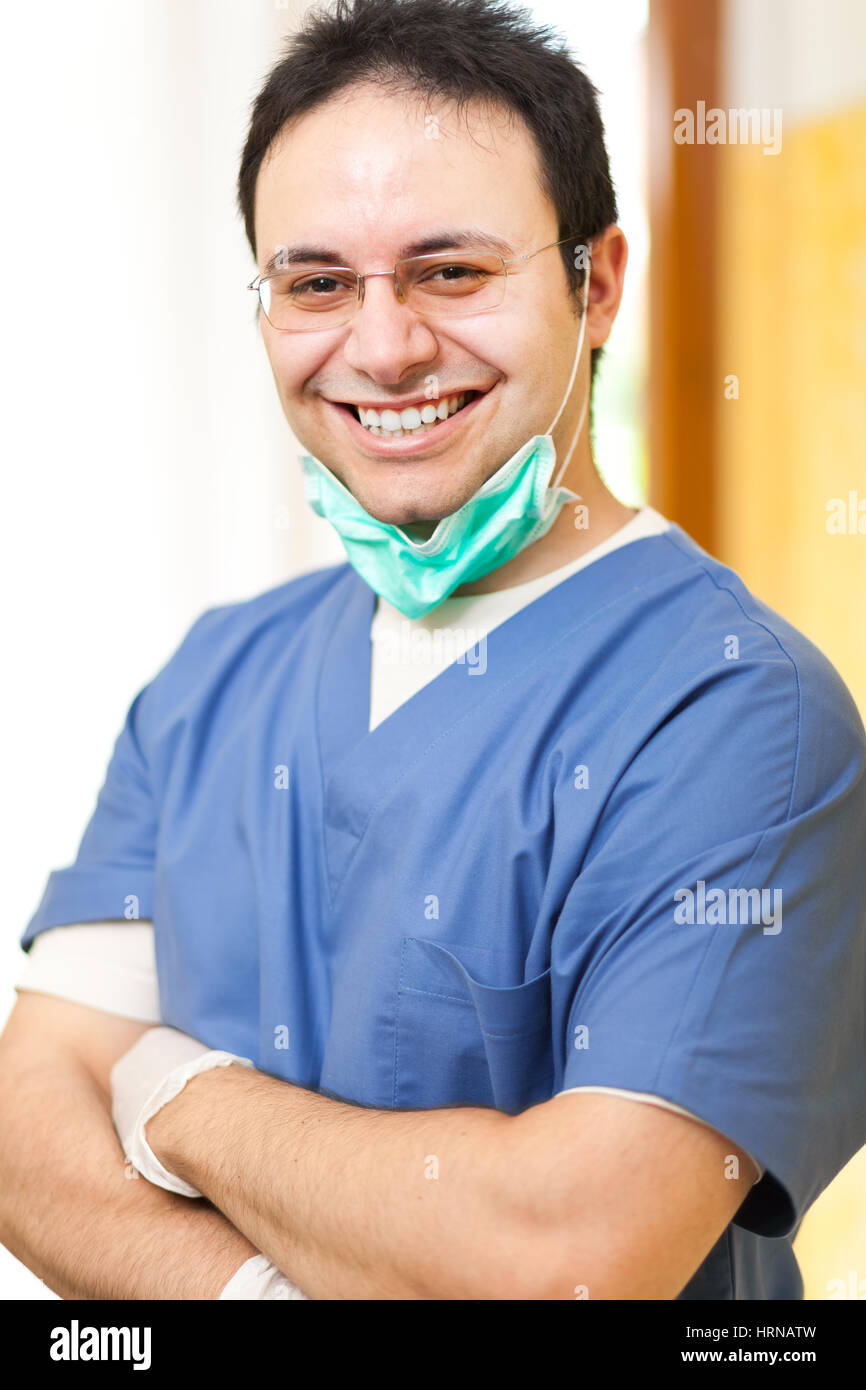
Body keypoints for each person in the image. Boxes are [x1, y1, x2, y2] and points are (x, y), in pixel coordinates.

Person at [3, 0, 865, 1301]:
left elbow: (566, 1252)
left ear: (597, 283)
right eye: (314, 283)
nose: (385, 342)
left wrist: (172, 1091)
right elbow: (27, 1138)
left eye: (451, 271)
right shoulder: (209, 684)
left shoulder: (737, 713)